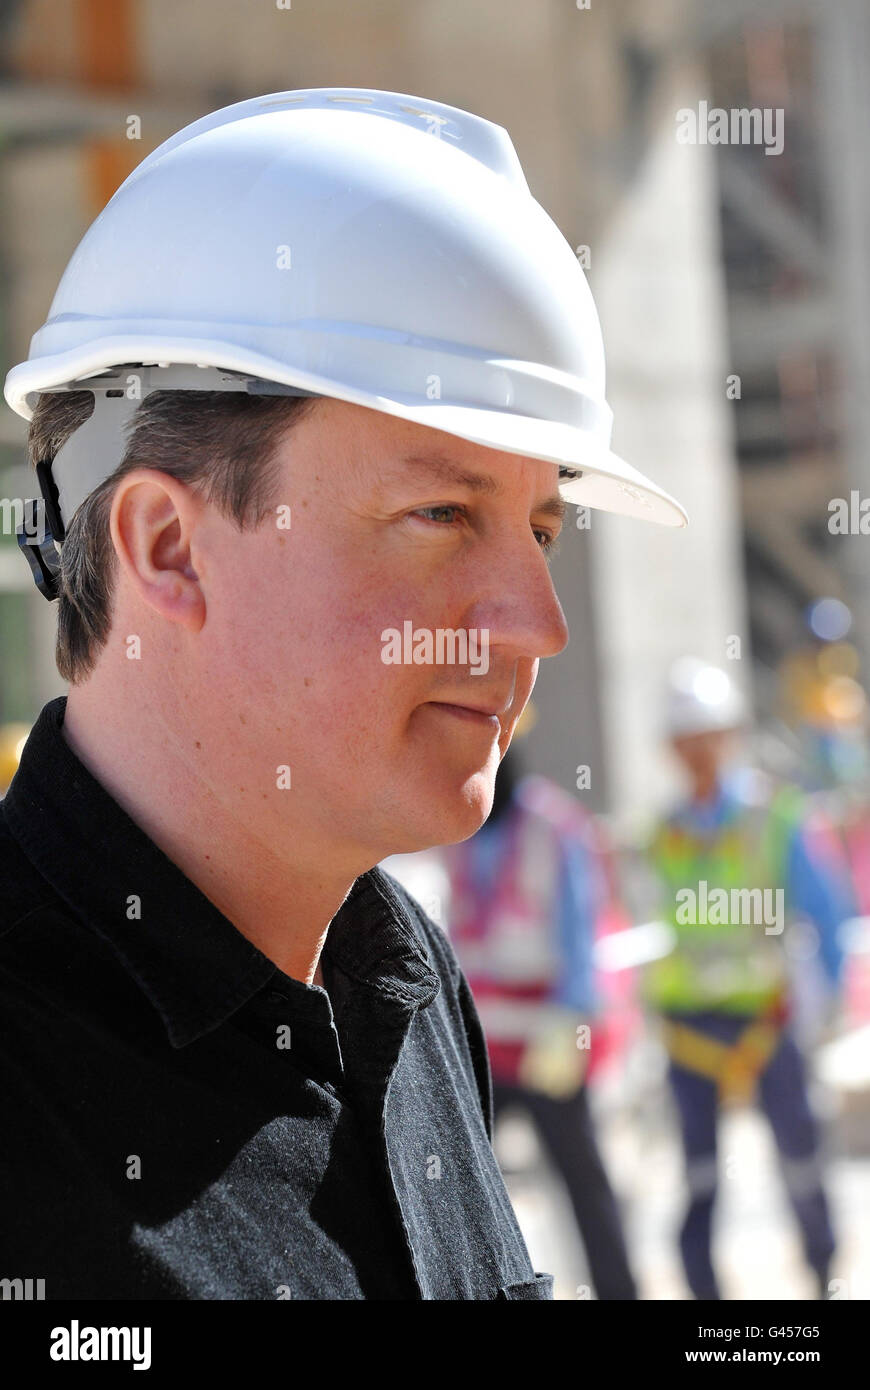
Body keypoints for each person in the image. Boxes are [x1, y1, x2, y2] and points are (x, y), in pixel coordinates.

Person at [0, 87, 686, 1300]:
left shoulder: (396, 974)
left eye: (541, 528)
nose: (540, 623)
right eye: (440, 513)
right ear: (168, 548)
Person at [643, 658, 852, 1301]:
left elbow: (830, 913)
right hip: (689, 1027)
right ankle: (707, 1301)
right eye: (685, 738)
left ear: (728, 736)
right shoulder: (666, 830)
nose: (695, 751)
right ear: (672, 747)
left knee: (799, 1159)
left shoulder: (776, 817)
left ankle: (824, 1277)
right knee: (701, 1174)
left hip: (768, 1018)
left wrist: (827, 1002)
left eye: (706, 734)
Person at [441, 734, 638, 1299]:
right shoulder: (462, 822)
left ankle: (618, 1292)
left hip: (545, 1041)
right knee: (460, 1190)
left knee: (583, 1181)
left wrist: (571, 1027)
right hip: (483, 1046)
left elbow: (582, 937)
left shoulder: (556, 826)